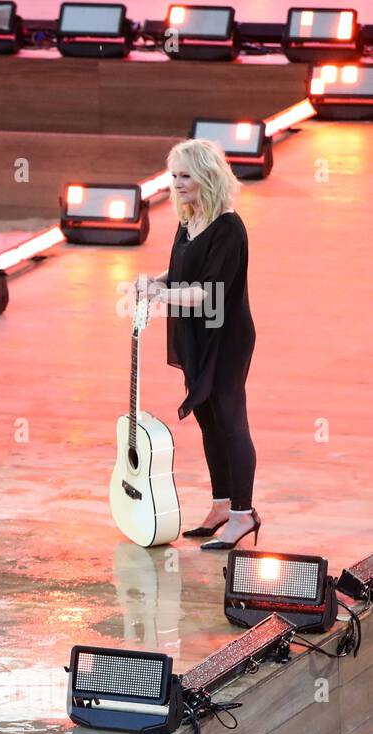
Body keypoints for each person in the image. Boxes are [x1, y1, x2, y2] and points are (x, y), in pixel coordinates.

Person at [135, 139, 259, 551]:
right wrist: (154, 282)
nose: (177, 183)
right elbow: (182, 271)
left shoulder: (228, 227)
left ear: (208, 176)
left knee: (229, 418)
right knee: (208, 418)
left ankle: (244, 513)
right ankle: (223, 504)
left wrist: (159, 296)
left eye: (186, 175)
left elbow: (208, 293)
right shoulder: (190, 219)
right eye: (173, 175)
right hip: (198, 334)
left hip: (225, 337)